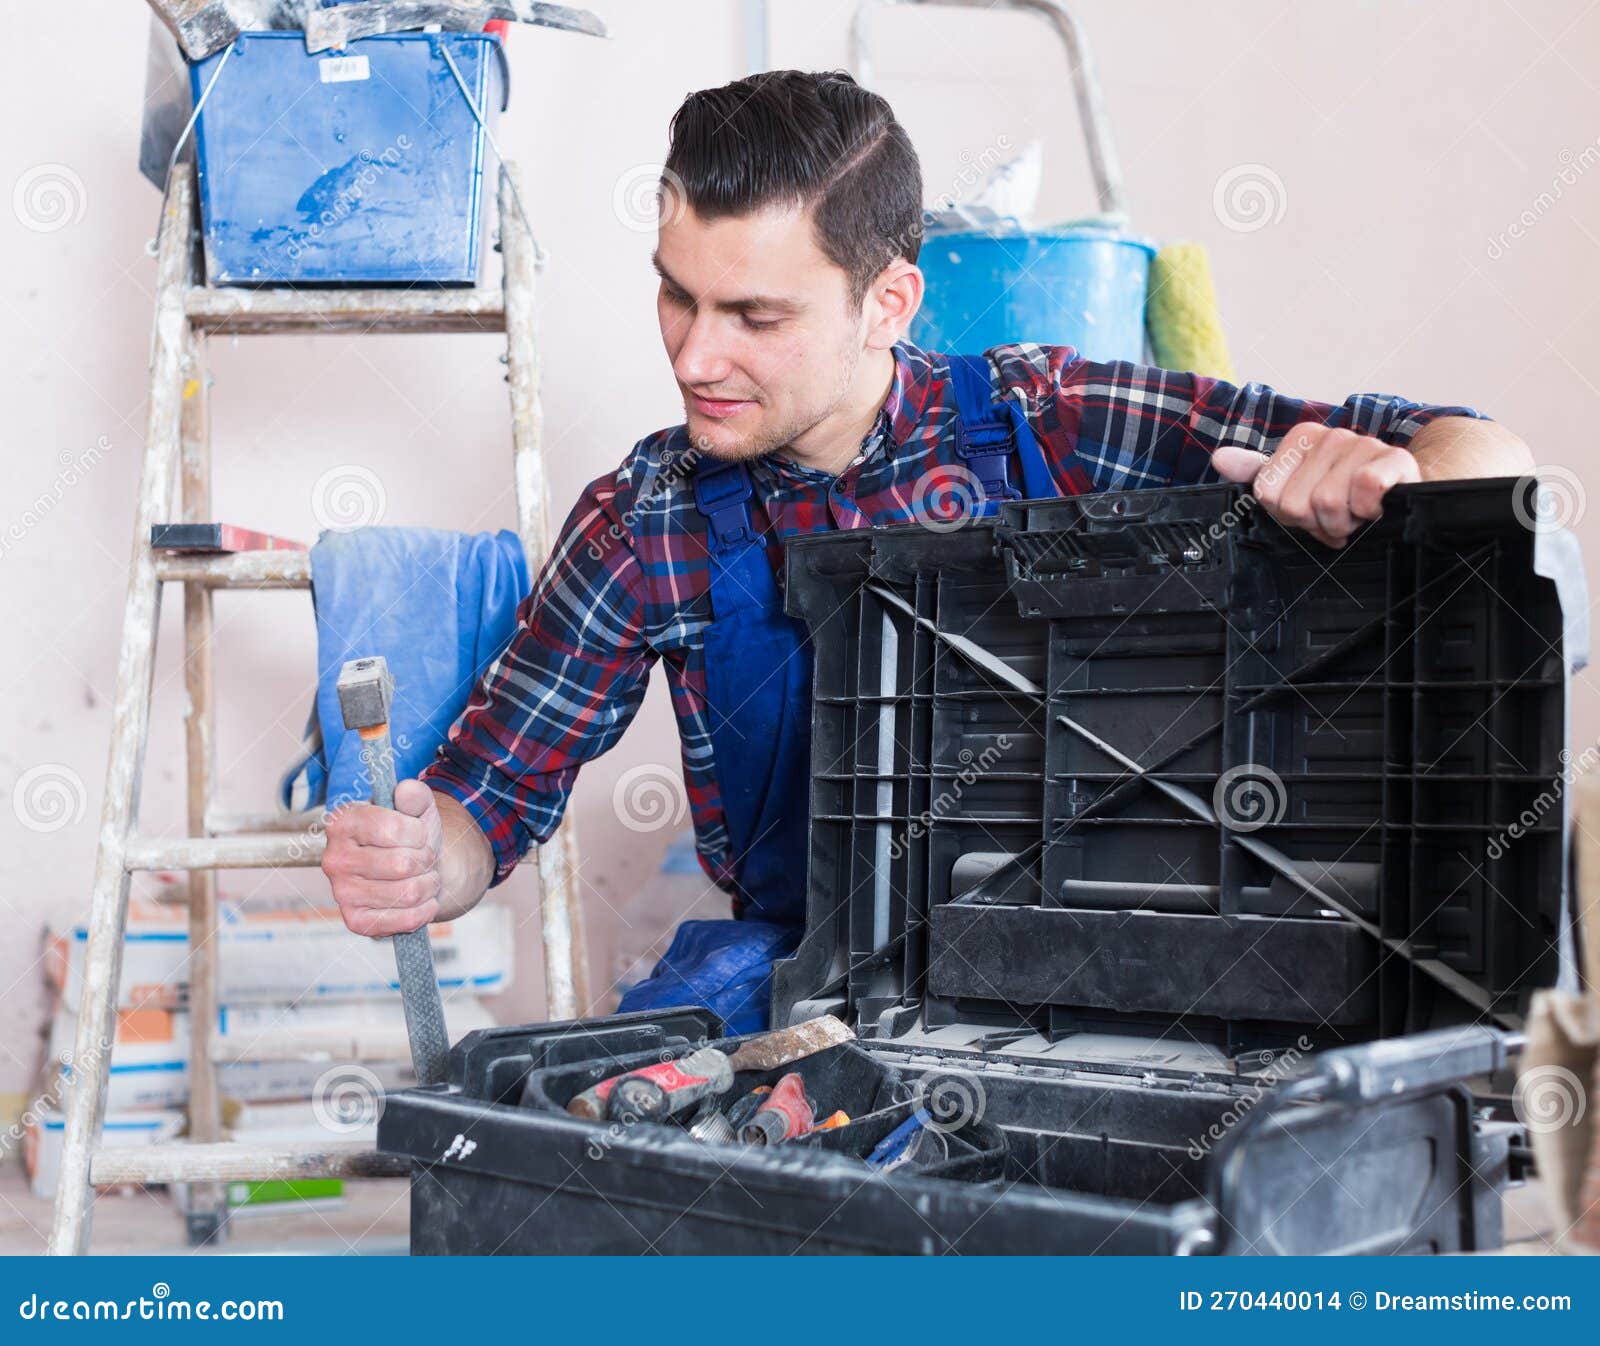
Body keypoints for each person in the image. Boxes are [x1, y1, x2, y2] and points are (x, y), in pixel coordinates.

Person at [320, 70, 1534, 1034]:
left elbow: (1485, 450)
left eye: (756, 316)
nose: (694, 356)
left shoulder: (1050, 420)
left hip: (1119, 972)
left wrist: (1405, 473)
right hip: (809, 978)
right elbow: (494, 798)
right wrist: (430, 859)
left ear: (888, 303)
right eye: (676, 295)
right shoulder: (648, 516)